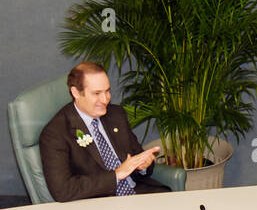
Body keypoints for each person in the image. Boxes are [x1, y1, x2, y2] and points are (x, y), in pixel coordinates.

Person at [39, 61, 168, 202]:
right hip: (99, 203)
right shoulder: (55, 133)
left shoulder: (116, 115)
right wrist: (116, 175)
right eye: (97, 93)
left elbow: (136, 156)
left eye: (107, 91)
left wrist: (143, 165)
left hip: (139, 192)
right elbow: (63, 191)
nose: (105, 99)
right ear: (75, 92)